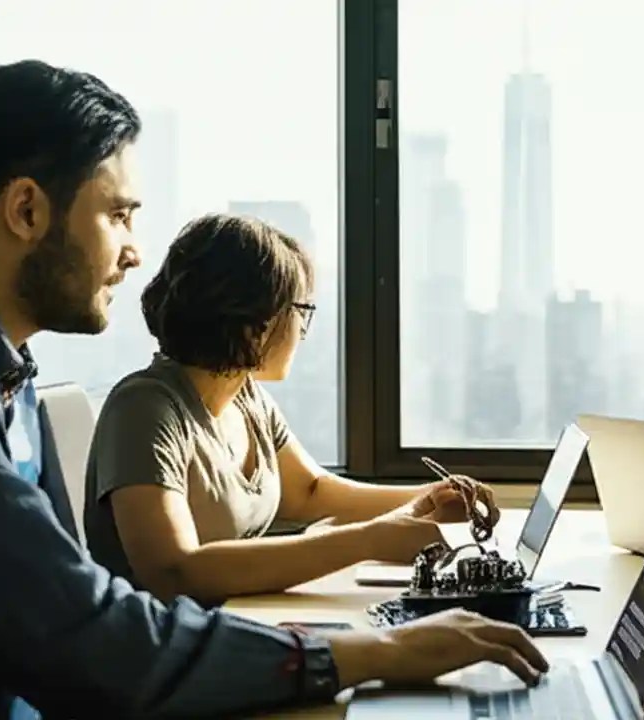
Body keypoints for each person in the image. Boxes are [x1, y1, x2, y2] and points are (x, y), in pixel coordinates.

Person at [0, 58, 547, 718]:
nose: (135, 251)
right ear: (27, 210)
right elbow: (90, 633)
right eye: (118, 214)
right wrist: (374, 653)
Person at [84, 213, 500, 602]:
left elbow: (310, 492)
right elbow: (173, 572)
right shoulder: (144, 410)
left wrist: (431, 495)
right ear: (252, 320)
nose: (302, 329)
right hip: (164, 644)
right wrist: (370, 540)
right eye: (300, 310)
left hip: (232, 620)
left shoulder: (245, 398)